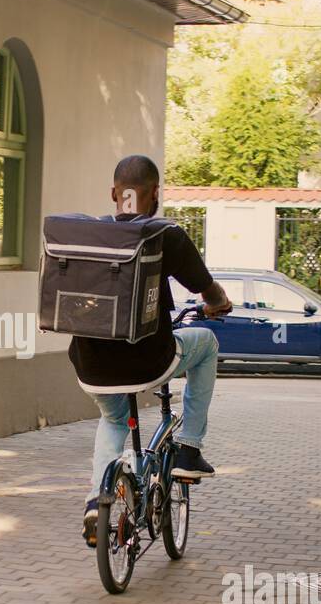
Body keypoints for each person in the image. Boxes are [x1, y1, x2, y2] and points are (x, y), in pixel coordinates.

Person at [70, 155, 231, 547]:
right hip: (149, 360)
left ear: (114, 193)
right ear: (155, 194)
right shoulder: (165, 234)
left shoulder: (89, 235)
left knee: (112, 420)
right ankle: (189, 448)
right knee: (206, 344)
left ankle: (96, 500)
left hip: (91, 365)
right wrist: (217, 303)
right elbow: (209, 291)